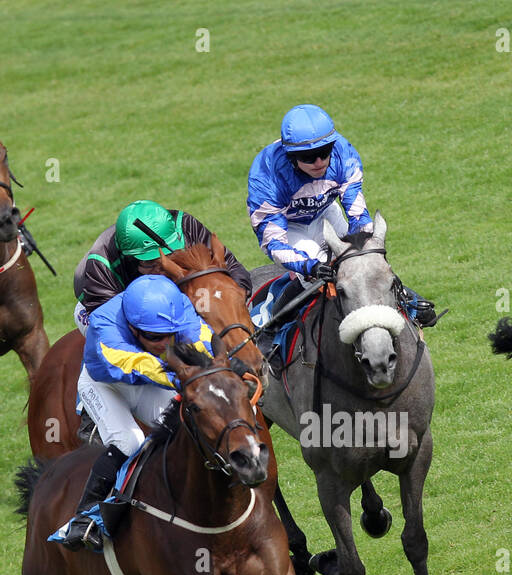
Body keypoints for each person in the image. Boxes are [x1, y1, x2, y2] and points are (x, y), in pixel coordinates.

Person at [55, 275, 214, 552]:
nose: (165, 343)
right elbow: (138, 364)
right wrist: (186, 374)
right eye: (155, 336)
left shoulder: (180, 308)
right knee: (129, 442)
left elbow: (204, 343)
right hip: (105, 385)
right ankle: (84, 517)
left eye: (171, 334)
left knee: (186, 426)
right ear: (132, 327)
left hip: (148, 383)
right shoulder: (105, 324)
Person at [246, 104, 437, 327]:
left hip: (325, 212)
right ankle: (272, 330)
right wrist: (312, 268)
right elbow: (275, 244)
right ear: (291, 156)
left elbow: (358, 215)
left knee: (364, 260)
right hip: (289, 226)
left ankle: (407, 300)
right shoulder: (265, 177)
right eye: (308, 157)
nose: (318, 162)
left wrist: (366, 248)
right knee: (320, 271)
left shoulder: (344, 154)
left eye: (324, 152)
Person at [72, 200, 251, 334]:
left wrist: (231, 305)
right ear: (130, 258)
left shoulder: (186, 226)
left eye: (170, 256)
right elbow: (111, 327)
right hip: (105, 307)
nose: (165, 267)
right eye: (151, 263)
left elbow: (233, 270)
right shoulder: (101, 265)